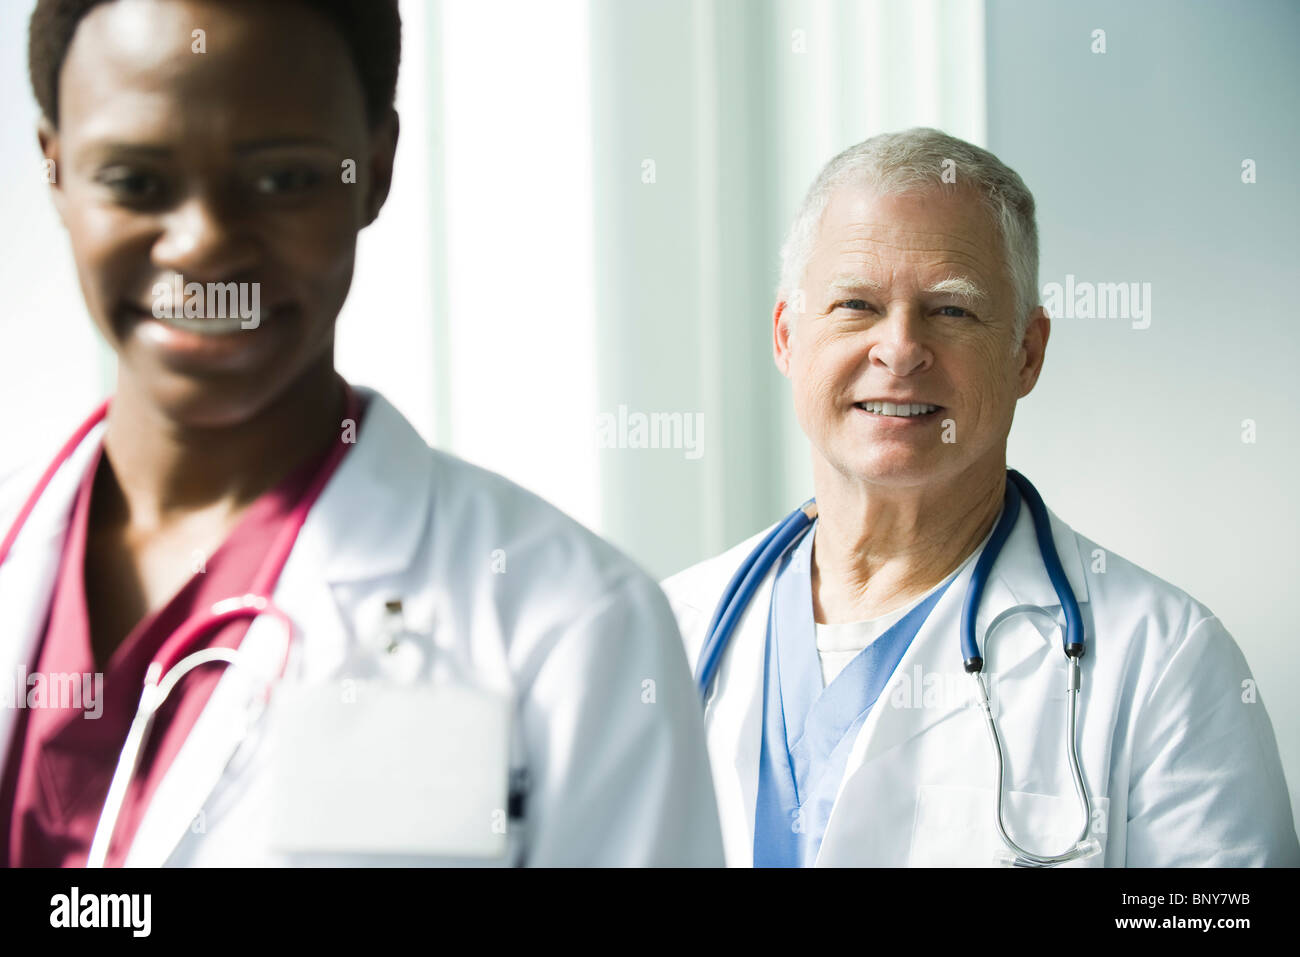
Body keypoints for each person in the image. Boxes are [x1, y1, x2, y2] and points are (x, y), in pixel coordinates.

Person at [0, 0, 723, 867]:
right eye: (135, 181)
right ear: (55, 171)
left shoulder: (569, 624)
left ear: (373, 169)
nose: (203, 244)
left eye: (283, 179)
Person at [661, 127, 1299, 867]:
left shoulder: (1162, 659)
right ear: (786, 337)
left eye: (951, 310)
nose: (899, 348)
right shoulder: (670, 632)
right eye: (856, 304)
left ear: (1026, 352)